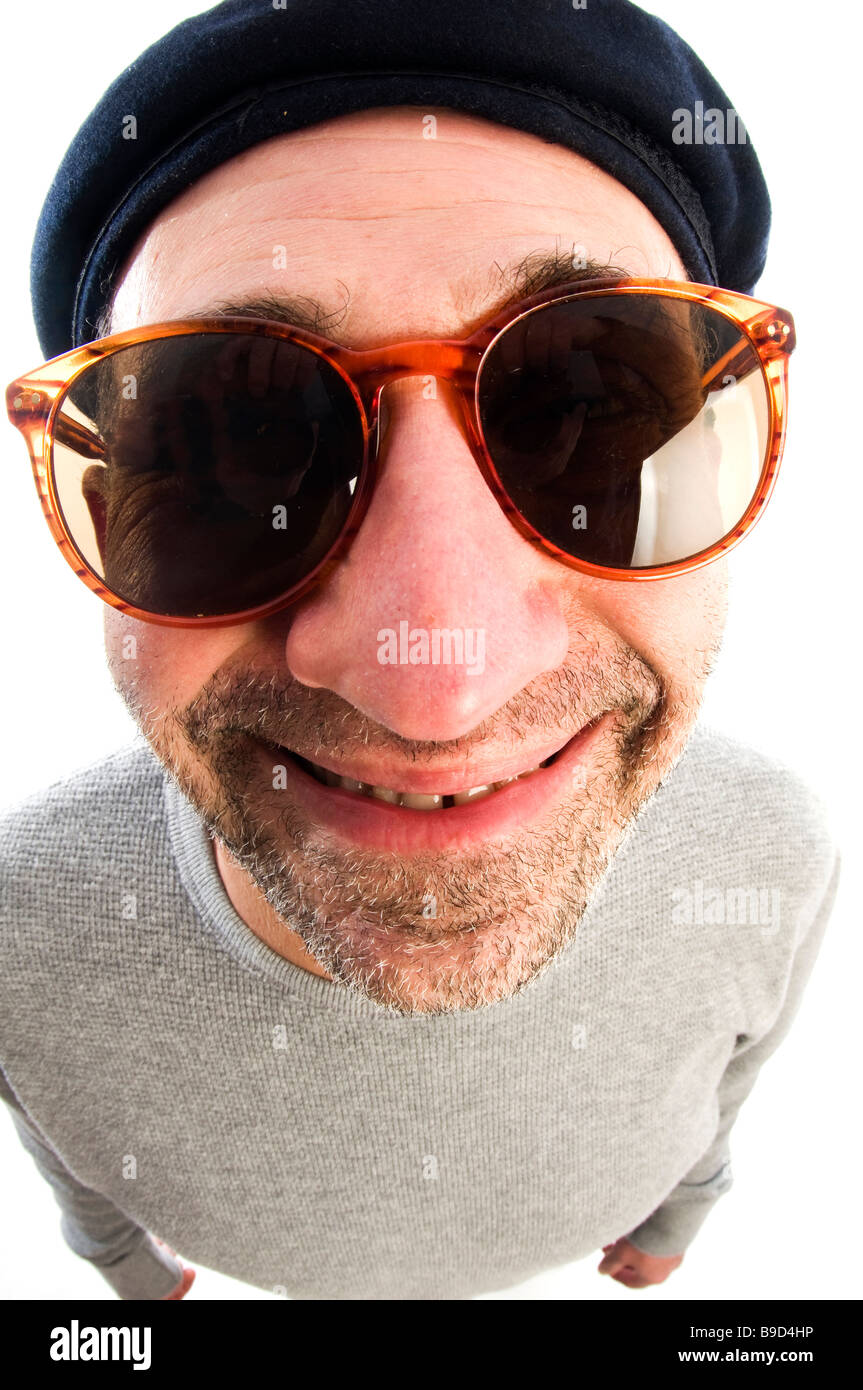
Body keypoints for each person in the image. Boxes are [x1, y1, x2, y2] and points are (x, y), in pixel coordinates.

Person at [0, 0, 839, 1301]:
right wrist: (121, 1264)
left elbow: (736, 1078)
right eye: (230, 450)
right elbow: (60, 1149)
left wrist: (681, 1214)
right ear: (110, 522)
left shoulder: (779, 847)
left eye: (587, 417)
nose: (439, 684)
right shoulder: (15, 920)